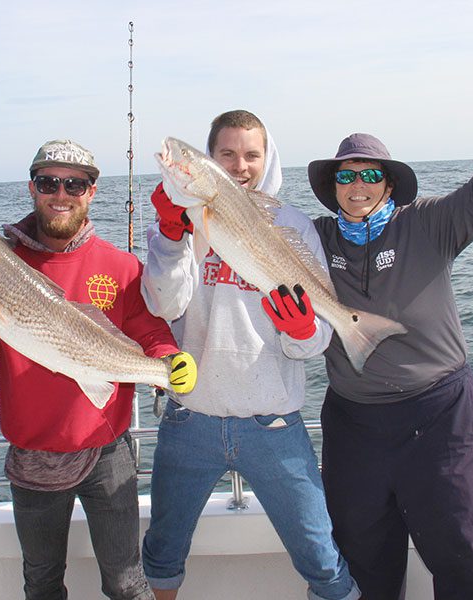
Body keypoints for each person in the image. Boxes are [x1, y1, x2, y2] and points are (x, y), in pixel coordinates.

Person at [307, 57, 473, 600]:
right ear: (333, 185)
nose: (358, 185)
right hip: (354, 427)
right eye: (347, 175)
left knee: (466, 564)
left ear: (388, 184)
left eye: (370, 175)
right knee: (363, 569)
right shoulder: (314, 240)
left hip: (440, 420)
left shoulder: (429, 222)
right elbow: (255, 234)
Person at [0, 139, 196, 600]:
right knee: (42, 583)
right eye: (48, 182)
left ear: (92, 192)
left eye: (75, 183)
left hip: (109, 452)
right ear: (31, 188)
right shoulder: (0, 264)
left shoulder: (119, 265)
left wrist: (169, 358)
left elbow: (147, 328)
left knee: (127, 583)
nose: (61, 193)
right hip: (32, 456)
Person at [141, 110, 360, 600]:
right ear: (213, 161)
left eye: (251, 154)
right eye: (226, 154)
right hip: (189, 418)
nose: (240, 165)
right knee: (162, 550)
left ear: (267, 158)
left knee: (320, 556)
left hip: (273, 422)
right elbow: (161, 304)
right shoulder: (177, 224)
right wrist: (175, 238)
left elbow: (316, 339)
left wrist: (302, 328)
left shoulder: (295, 227)